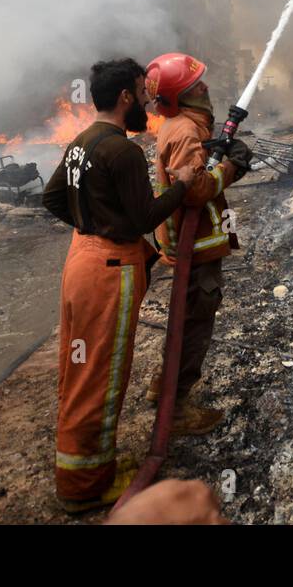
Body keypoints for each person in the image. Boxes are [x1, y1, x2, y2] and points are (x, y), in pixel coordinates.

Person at [41, 57, 200, 513]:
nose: (149, 100)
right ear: (126, 97)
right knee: (104, 372)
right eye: (142, 92)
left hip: (80, 261)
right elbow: (145, 217)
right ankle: (85, 487)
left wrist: (92, 223)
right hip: (110, 268)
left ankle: (84, 469)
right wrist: (183, 184)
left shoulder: (82, 142)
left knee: (80, 369)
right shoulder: (123, 150)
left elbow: (52, 198)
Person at [142, 53, 252, 435]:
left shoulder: (178, 126)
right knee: (194, 325)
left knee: (184, 319)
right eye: (195, 86)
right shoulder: (186, 131)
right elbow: (196, 189)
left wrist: (215, 150)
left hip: (191, 244)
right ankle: (177, 408)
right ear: (179, 97)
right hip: (196, 248)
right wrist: (232, 167)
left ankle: (164, 388)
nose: (205, 88)